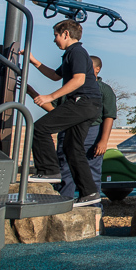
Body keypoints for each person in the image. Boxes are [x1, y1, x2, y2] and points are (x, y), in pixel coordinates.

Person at [24, 19, 103, 207]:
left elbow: (78, 80)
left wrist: (49, 97)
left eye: (56, 36)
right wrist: (34, 61)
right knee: (72, 148)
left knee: (40, 128)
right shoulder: (72, 53)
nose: (55, 40)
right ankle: (90, 192)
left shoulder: (76, 52)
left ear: (66, 34)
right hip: (89, 105)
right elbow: (55, 76)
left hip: (82, 102)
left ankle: (49, 170)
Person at [46, 56, 116, 203]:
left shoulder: (104, 90)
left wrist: (103, 141)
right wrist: (34, 94)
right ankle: (63, 205)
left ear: (97, 69)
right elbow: (53, 108)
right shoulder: (71, 87)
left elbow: (109, 116)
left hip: (92, 133)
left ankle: (94, 210)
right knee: (65, 170)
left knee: (92, 172)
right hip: (68, 130)